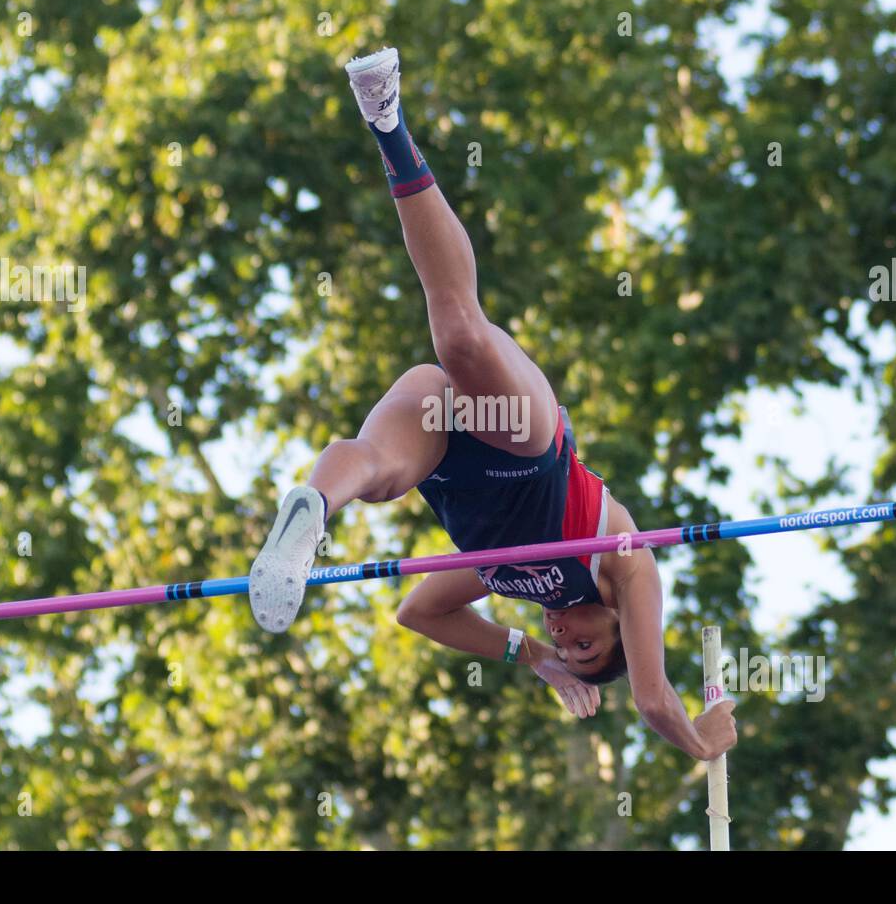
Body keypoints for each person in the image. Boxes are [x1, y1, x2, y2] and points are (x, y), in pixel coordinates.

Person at [249, 48, 736, 762]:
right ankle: (388, 123)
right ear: (614, 621)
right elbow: (652, 698)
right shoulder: (621, 563)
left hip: (446, 457)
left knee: (382, 472)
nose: (569, 642)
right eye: (587, 644)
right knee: (460, 335)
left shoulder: (503, 575)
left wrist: (531, 654)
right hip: (527, 447)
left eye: (571, 653)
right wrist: (703, 745)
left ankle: (313, 508)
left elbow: (418, 611)